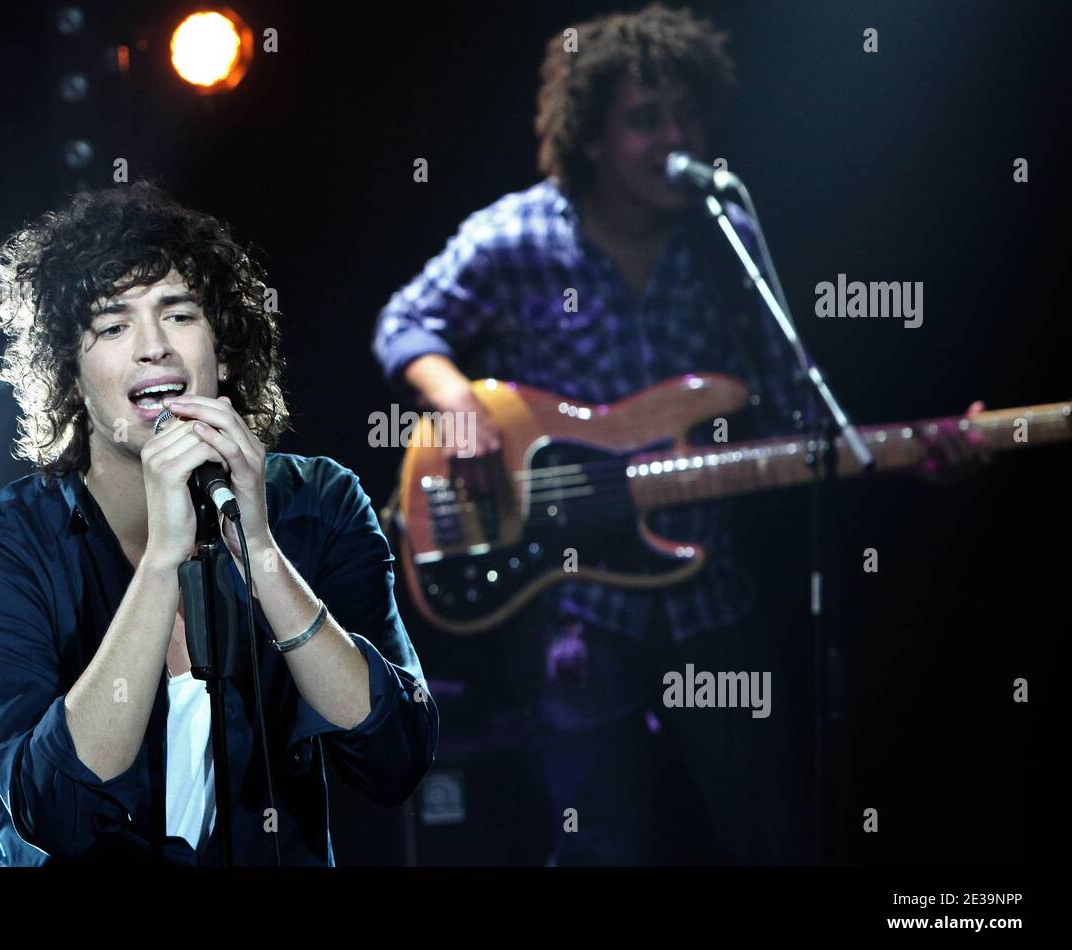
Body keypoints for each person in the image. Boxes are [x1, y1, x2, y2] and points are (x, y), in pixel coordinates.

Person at [372, 5, 981, 865]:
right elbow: (405, 321)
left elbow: (791, 403)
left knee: (772, 833)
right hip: (573, 598)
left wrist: (914, 455)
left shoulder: (724, 230)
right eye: (644, 118)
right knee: (603, 844)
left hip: (709, 588)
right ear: (589, 135)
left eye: (686, 114)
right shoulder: (517, 236)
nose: (675, 135)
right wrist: (454, 399)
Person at [0, 181, 438, 866]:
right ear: (71, 378)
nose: (152, 348)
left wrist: (260, 552)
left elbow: (396, 756)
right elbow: (57, 813)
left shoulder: (317, 503)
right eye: (112, 326)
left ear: (223, 351)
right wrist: (163, 557)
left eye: (178, 315)